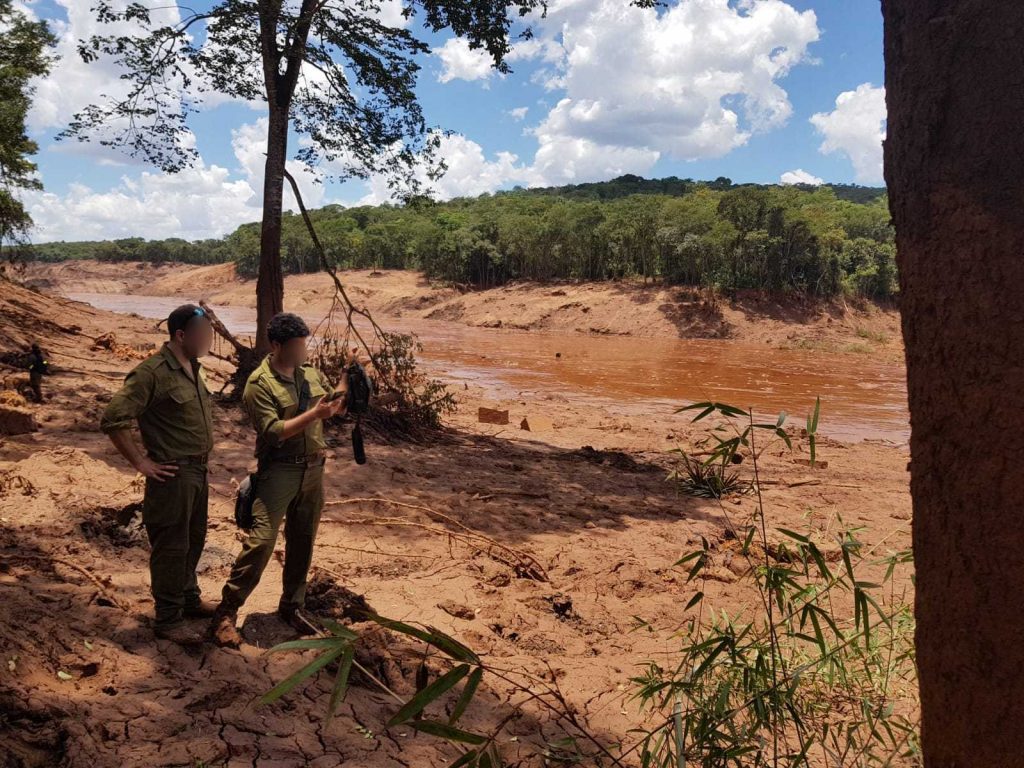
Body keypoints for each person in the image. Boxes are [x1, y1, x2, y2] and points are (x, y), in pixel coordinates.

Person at [210, 312, 357, 648]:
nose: (303, 350)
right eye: (296, 345)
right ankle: (227, 611)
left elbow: (329, 405)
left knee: (303, 539)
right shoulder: (259, 383)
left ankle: (293, 607)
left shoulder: (308, 373)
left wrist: (346, 379)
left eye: (304, 343)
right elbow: (273, 432)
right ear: (276, 345)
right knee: (261, 541)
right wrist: (315, 415)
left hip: (313, 469)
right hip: (279, 470)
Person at [100, 304, 216, 645]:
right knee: (171, 546)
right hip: (172, 474)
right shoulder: (152, 373)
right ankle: (168, 619)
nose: (210, 339)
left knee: (194, 540)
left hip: (198, 471)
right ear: (181, 336)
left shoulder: (194, 368)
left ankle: (189, 600)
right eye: (204, 333)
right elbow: (113, 418)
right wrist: (141, 462)